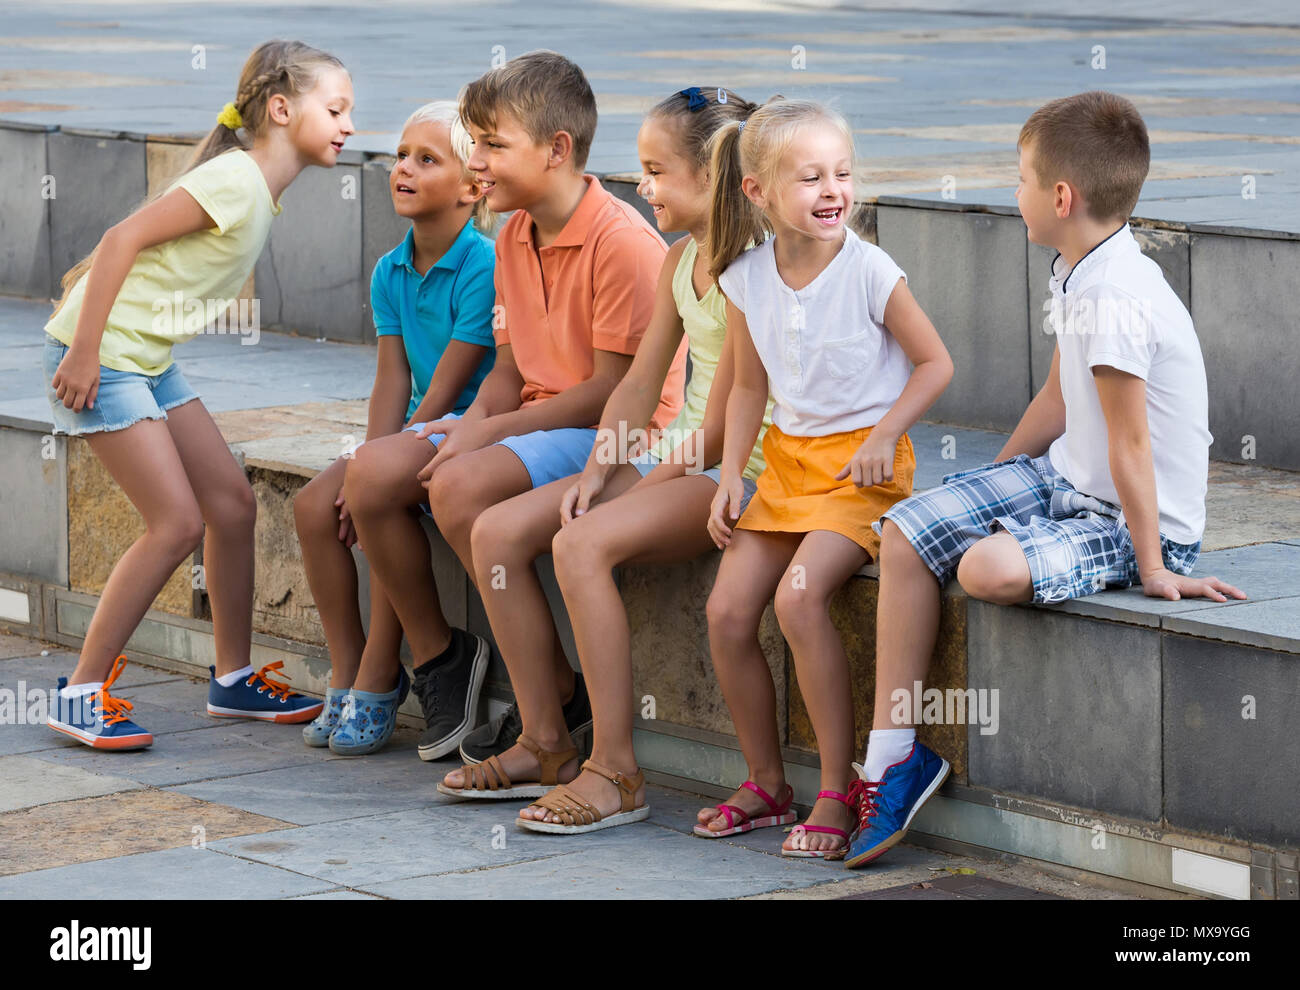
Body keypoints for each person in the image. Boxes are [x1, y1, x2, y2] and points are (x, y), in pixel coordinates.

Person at [845, 91, 1246, 870]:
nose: (1014, 194)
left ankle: (1107, 553)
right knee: (906, 531)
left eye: (1021, 179)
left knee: (982, 565)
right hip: (1065, 481)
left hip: (1139, 520)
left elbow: (1131, 448)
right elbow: (1060, 398)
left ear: (1062, 197)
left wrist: (1157, 566)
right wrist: (990, 490)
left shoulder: (1118, 298)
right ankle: (892, 757)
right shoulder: (1077, 264)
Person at [344, 50, 685, 769]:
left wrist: (484, 436)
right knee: (376, 472)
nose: (479, 165)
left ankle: (549, 722)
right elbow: (506, 373)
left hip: (613, 432)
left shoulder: (621, 243)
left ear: (557, 150)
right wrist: (466, 430)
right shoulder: (513, 235)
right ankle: (457, 664)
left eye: (493, 146)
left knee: (460, 482)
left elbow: (610, 394)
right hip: (539, 418)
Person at [43, 40, 353, 749]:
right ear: (281, 109)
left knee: (231, 504)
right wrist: (86, 350)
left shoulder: (257, 187)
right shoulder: (238, 180)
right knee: (177, 523)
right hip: (104, 356)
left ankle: (233, 677)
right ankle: (82, 690)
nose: (348, 125)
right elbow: (121, 240)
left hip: (144, 358)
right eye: (334, 109)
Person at [700, 99, 953, 857]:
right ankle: (766, 783)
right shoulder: (746, 278)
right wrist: (725, 477)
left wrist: (885, 436)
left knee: (800, 599)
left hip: (861, 473)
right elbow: (747, 388)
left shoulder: (870, 270)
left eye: (842, 173)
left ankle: (839, 792)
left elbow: (937, 363)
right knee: (725, 613)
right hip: (783, 464)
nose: (833, 189)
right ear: (759, 193)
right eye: (810, 177)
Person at [293, 101, 497, 755]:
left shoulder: (481, 263)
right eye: (401, 156)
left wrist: (374, 466)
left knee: (376, 489)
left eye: (426, 159)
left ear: (472, 187)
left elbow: (444, 391)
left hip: (471, 426)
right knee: (312, 505)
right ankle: (346, 670)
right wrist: (363, 457)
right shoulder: (390, 269)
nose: (402, 168)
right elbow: (393, 380)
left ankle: (383, 675)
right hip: (416, 427)